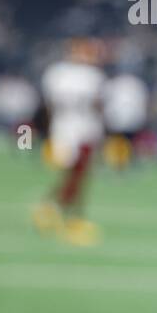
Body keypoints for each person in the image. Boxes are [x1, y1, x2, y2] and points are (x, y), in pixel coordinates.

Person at [33, 38, 106, 246]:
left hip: (71, 128)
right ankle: (67, 216)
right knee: (76, 175)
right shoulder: (89, 76)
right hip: (77, 128)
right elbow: (97, 105)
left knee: (75, 174)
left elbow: (49, 106)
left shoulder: (57, 73)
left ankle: (53, 210)